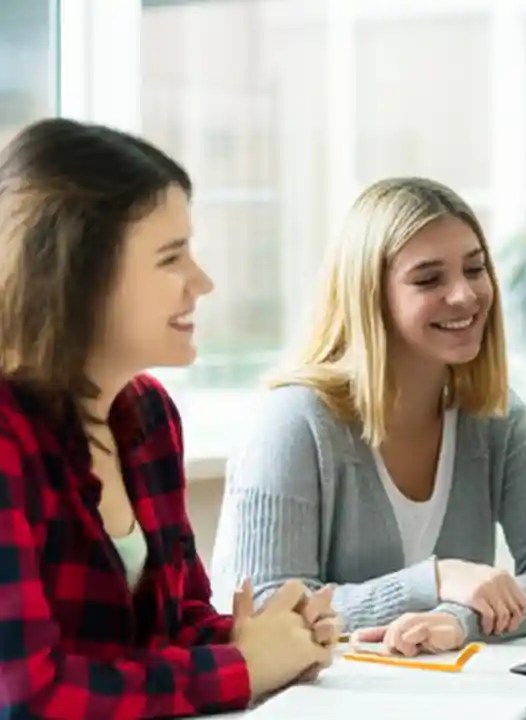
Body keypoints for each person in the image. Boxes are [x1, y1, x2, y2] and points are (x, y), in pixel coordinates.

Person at [0, 118, 336, 718]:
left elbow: (171, 627)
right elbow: (26, 695)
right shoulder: (7, 437)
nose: (201, 282)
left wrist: (267, 639)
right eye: (171, 257)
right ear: (79, 275)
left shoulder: (149, 416)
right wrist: (241, 667)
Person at [211, 177, 526, 656]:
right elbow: (267, 611)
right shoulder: (293, 420)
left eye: (474, 269)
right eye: (429, 279)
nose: (465, 296)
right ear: (369, 295)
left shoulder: (495, 417)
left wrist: (458, 620)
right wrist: (437, 579)